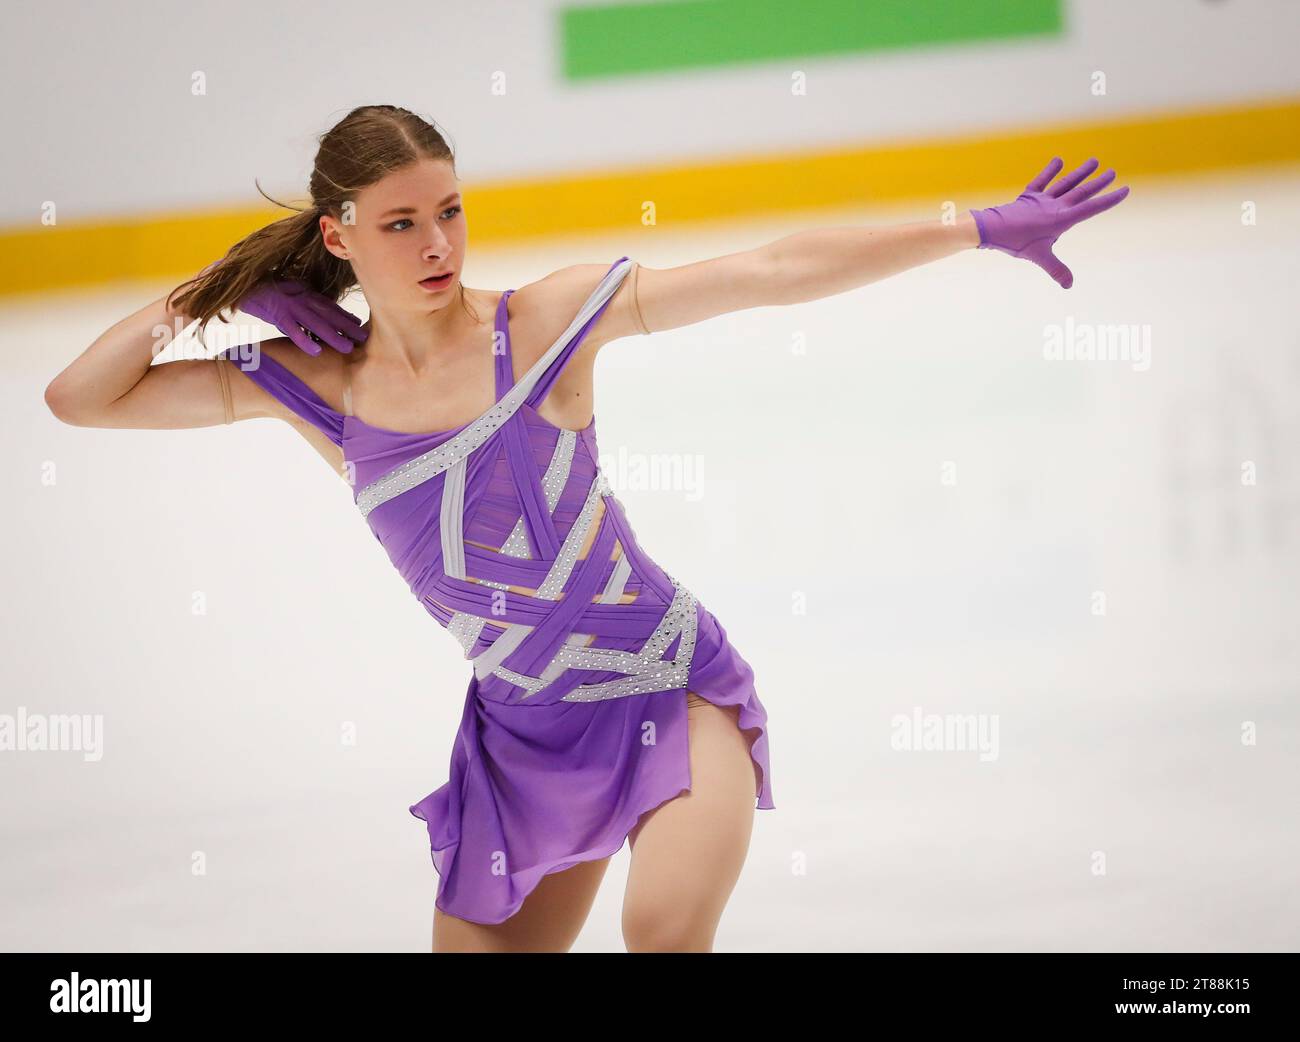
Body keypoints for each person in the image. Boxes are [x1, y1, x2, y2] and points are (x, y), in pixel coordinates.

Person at [43, 105, 1128, 953]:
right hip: (519, 741)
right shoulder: (311, 386)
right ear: (339, 236)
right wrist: (196, 300)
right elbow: (79, 399)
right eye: (402, 222)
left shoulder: (543, 323)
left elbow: (763, 273)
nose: (438, 243)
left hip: (666, 688)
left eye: (451, 210)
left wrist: (976, 227)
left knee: (659, 935)